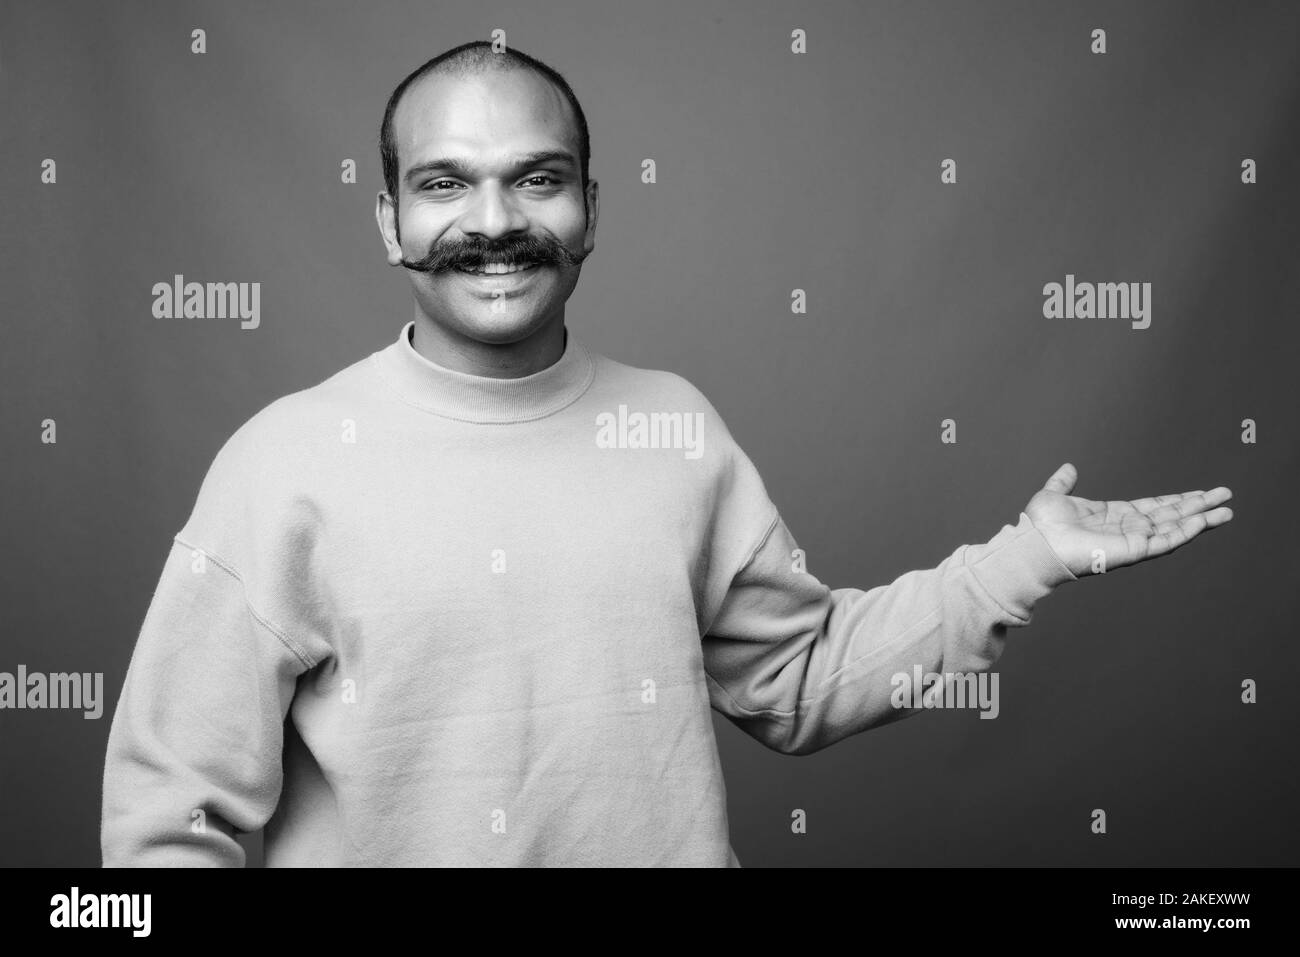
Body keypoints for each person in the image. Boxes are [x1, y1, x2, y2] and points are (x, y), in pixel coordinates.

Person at [100, 40, 1234, 867]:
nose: (495, 220)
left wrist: (1025, 558)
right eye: (445, 183)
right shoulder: (282, 465)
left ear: (589, 209)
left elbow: (797, 683)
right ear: (391, 222)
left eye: (536, 178)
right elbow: (166, 826)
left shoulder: (674, 428)